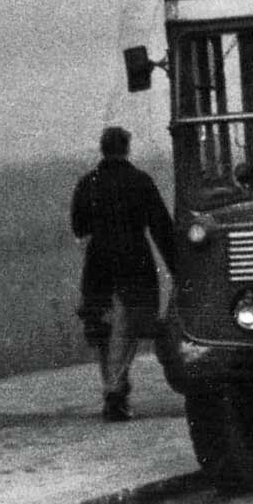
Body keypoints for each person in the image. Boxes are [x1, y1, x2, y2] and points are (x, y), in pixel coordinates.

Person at [71, 126, 176, 421]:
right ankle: (116, 391)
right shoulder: (140, 181)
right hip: (135, 263)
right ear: (126, 148)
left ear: (102, 149)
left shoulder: (87, 183)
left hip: (99, 266)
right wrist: (178, 268)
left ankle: (113, 387)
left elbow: (79, 227)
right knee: (128, 329)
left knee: (105, 331)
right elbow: (161, 228)